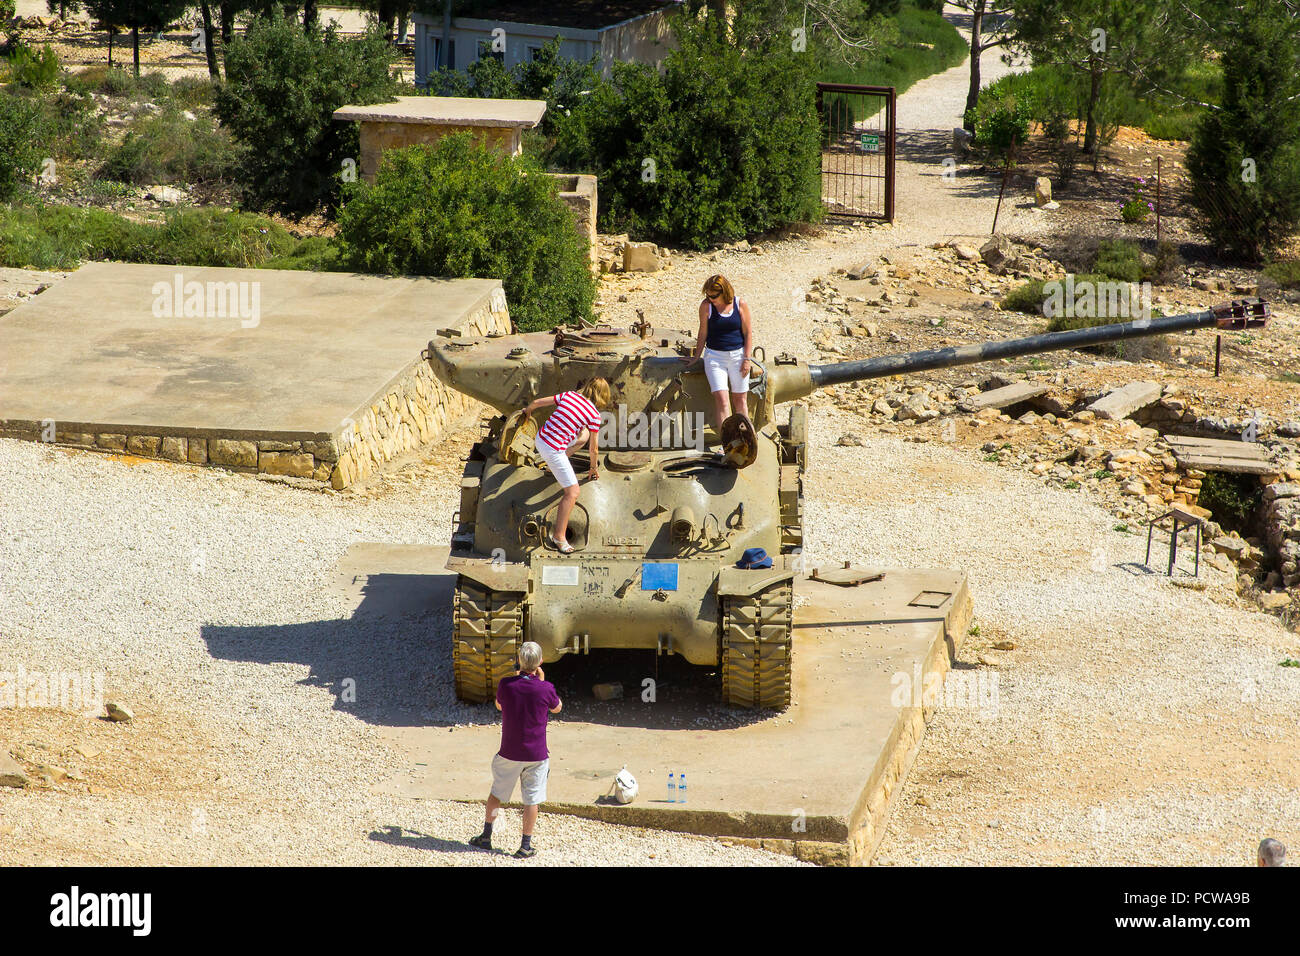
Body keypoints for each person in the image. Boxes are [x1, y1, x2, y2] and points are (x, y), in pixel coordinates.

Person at [469, 641, 562, 859]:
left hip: (509, 752)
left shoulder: (506, 685)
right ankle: (525, 845)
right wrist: (542, 682)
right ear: (539, 662)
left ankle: (486, 836)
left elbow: (500, 706)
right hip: (536, 755)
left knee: (496, 794)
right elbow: (557, 708)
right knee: (531, 799)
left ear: (519, 661)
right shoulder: (545, 688)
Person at [523, 378, 611, 554]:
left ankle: (552, 466)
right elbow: (593, 449)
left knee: (583, 435)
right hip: (553, 451)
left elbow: (538, 402)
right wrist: (593, 468)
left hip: (540, 439)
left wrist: (528, 412)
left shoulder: (569, 395)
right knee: (572, 492)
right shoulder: (594, 415)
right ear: (602, 396)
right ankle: (559, 537)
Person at [686, 274, 754, 432]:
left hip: (738, 356)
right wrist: (697, 356)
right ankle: (727, 442)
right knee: (722, 400)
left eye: (714, 296)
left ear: (724, 292)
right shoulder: (706, 306)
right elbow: (703, 332)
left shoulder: (740, 304)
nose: (710, 299)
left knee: (740, 400)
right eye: (708, 295)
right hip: (715, 357)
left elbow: (748, 333)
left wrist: (747, 359)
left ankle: (745, 438)